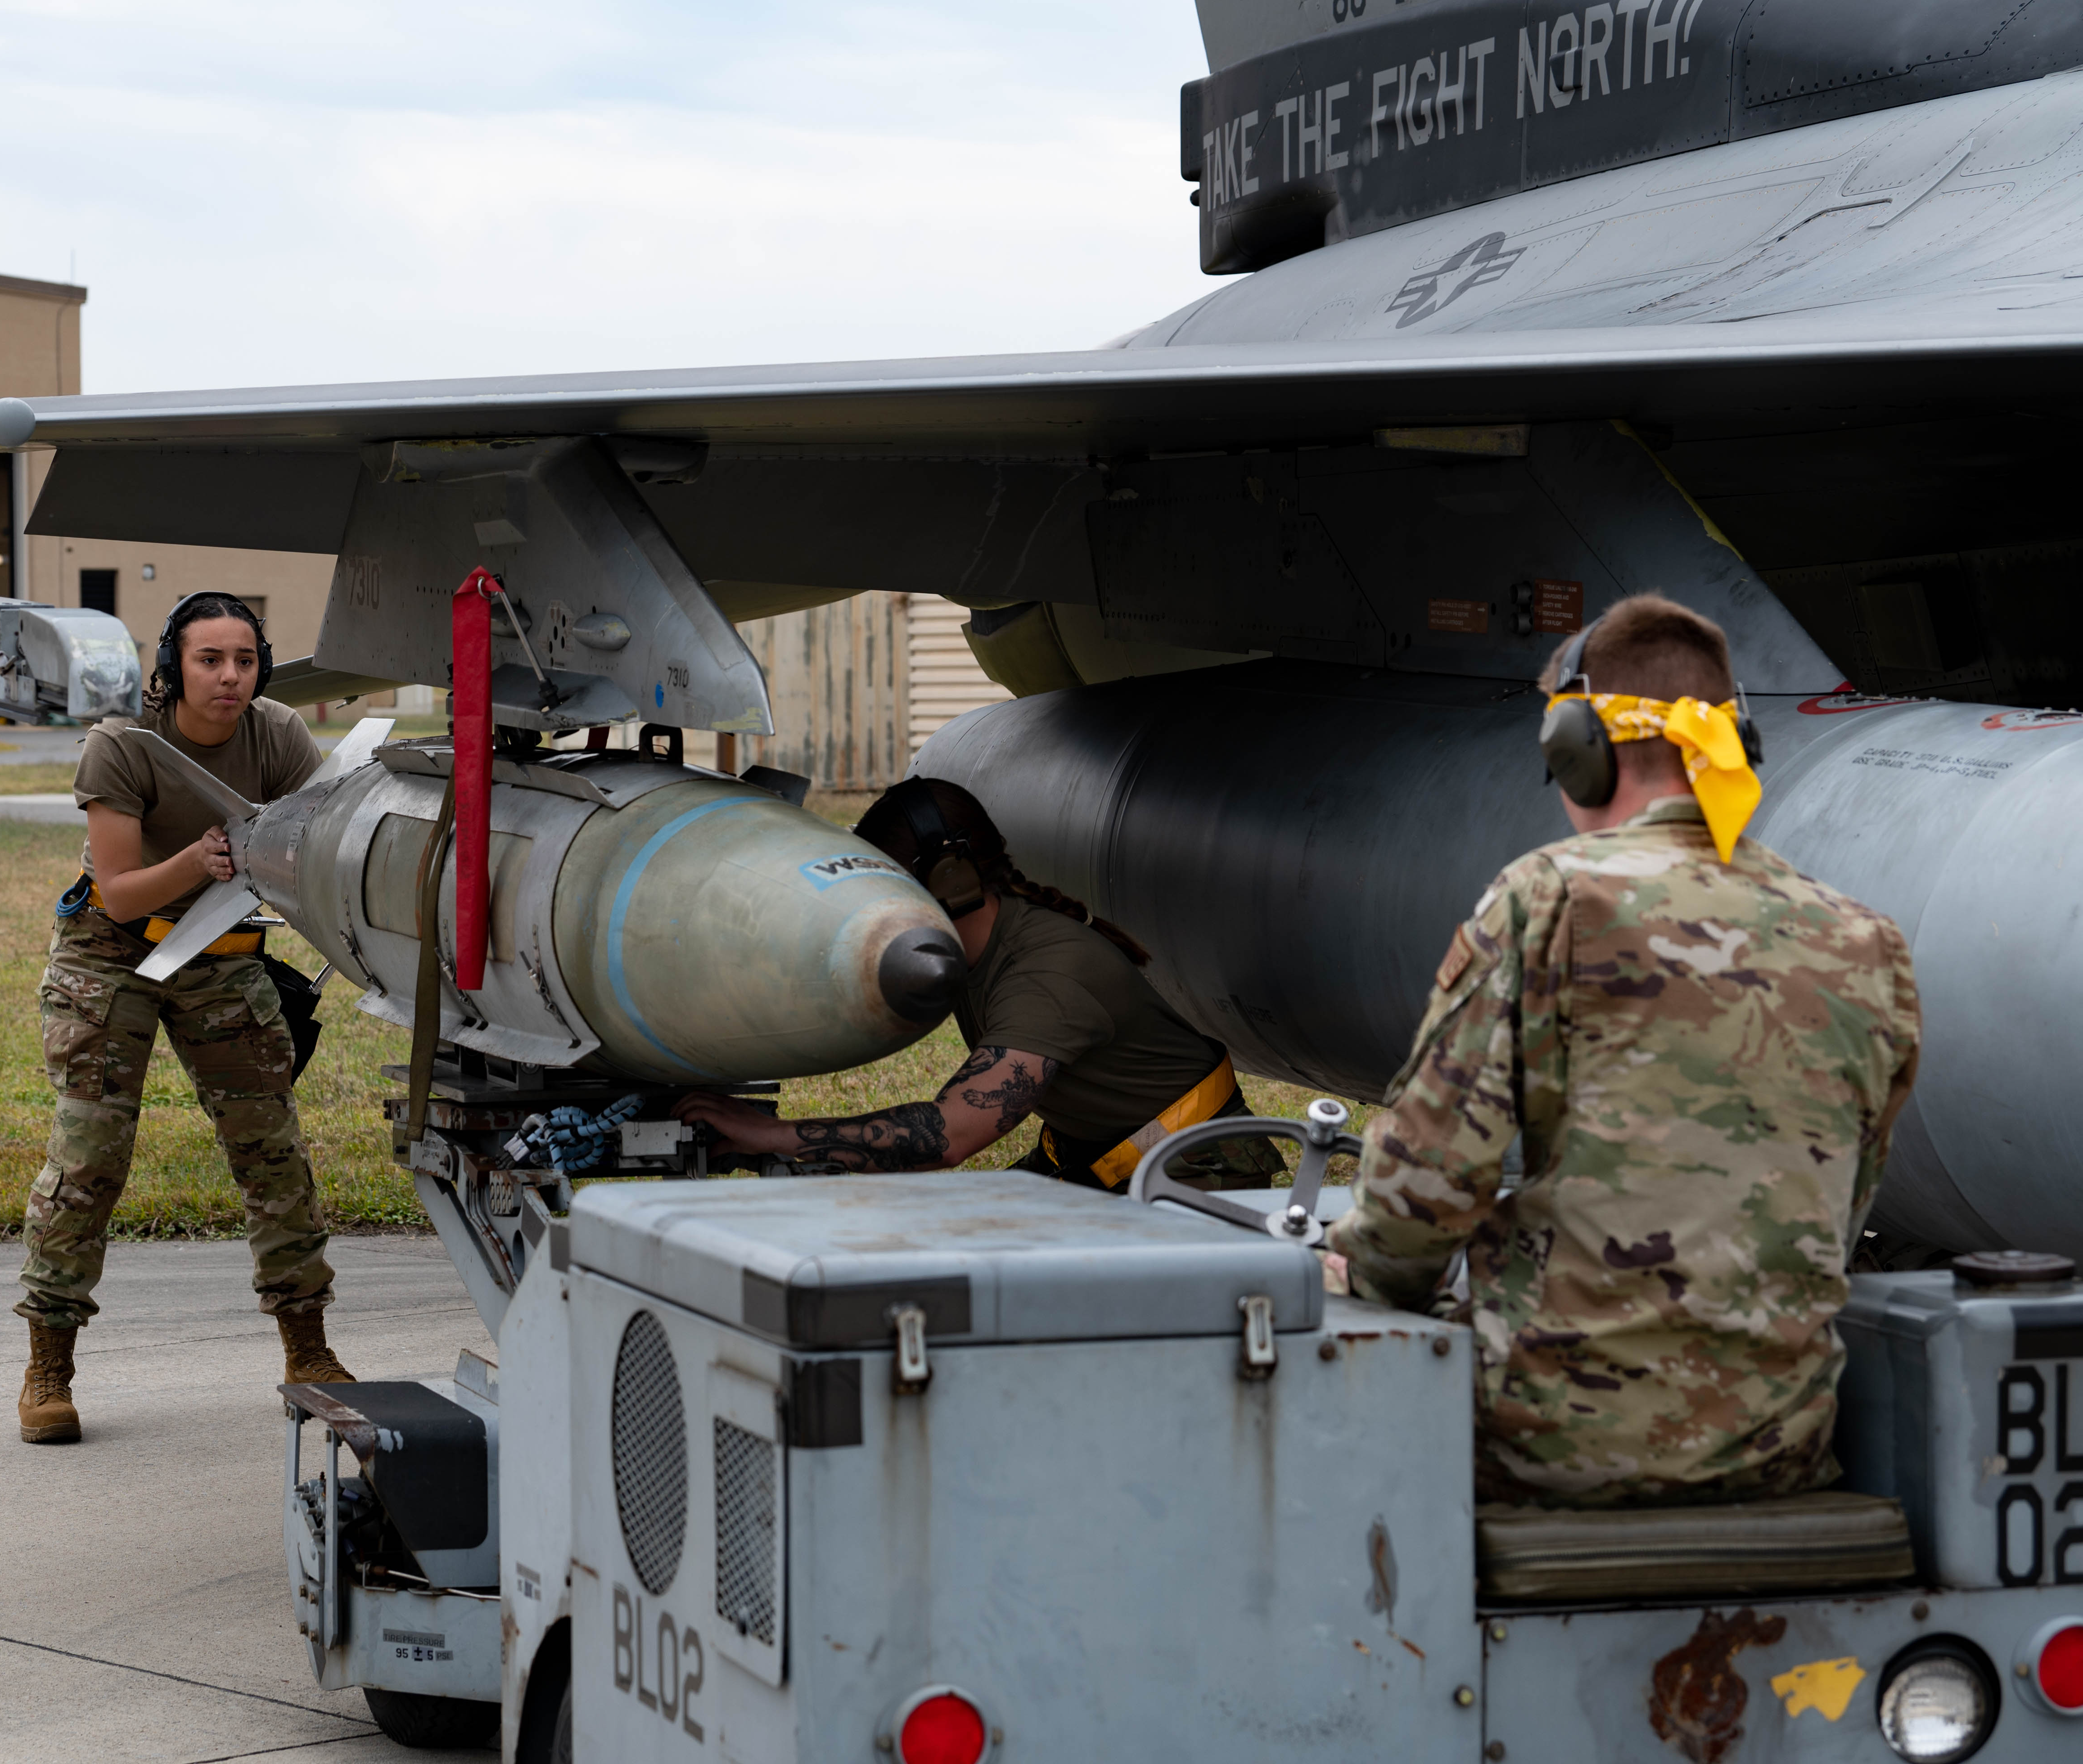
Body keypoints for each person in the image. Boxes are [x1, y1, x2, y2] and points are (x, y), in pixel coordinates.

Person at [1325, 595, 1921, 1507]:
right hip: (1782, 1447)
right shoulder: (1864, 941)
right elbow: (1838, 1212)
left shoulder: (1547, 901)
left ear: (1577, 749)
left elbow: (1421, 1200)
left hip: (1548, 1445)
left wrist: (1355, 1270)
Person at [14, 591, 348, 1443]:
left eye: (244, 660)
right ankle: (48, 1368)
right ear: (171, 665)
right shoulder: (122, 744)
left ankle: (308, 1347)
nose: (229, 677)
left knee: (270, 1146)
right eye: (209, 660)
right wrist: (199, 860)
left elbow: (321, 838)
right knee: (90, 1153)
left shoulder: (275, 734)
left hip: (220, 952)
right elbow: (122, 893)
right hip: (110, 952)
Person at [681, 776, 1272, 1185]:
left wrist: (770, 1134)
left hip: (1199, 1174)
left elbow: (950, 1135)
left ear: (949, 880)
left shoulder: (1048, 976)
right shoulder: (975, 943)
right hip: (1098, 1160)